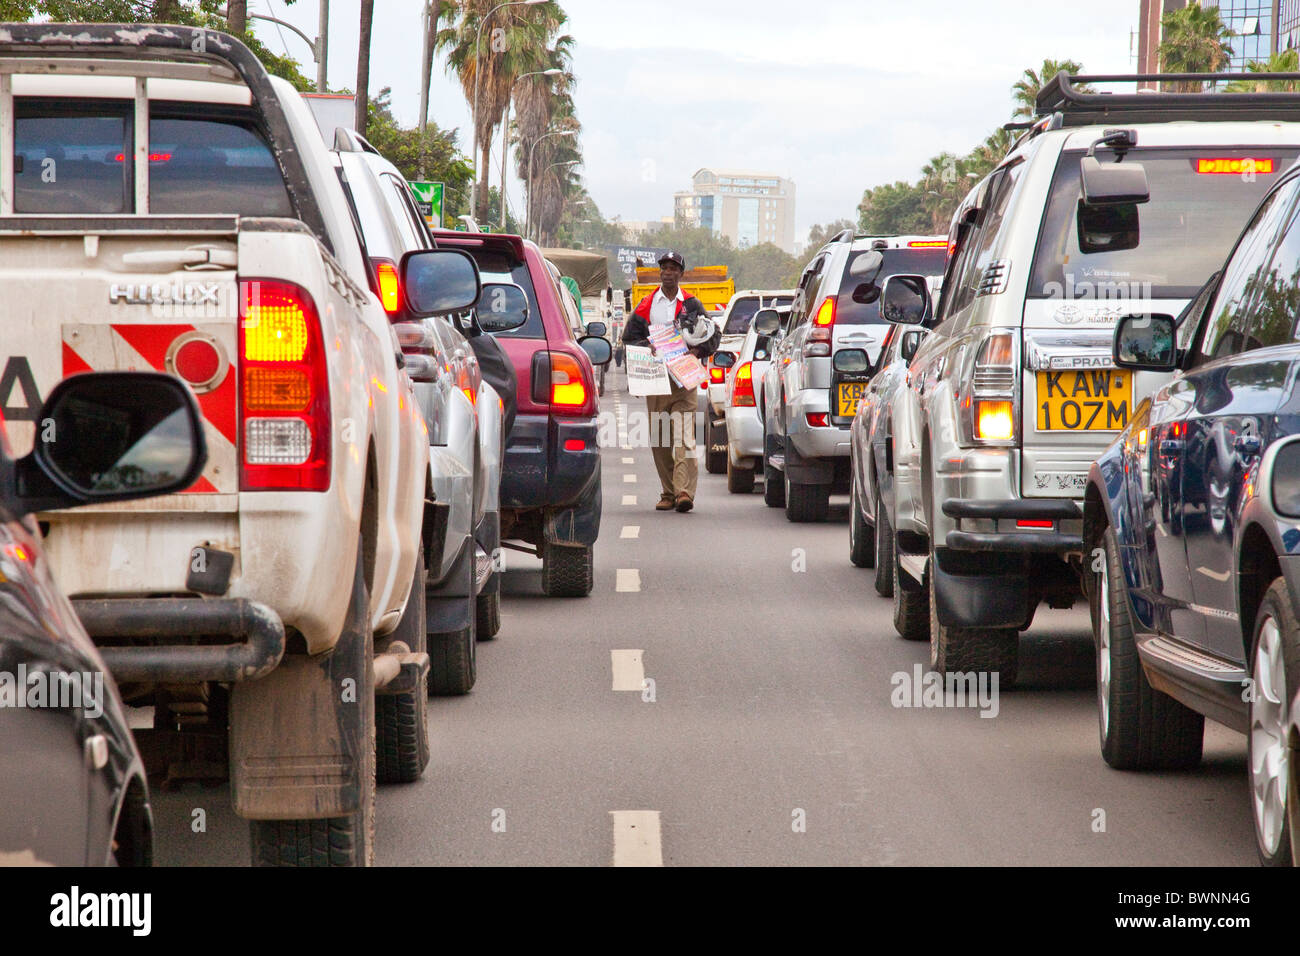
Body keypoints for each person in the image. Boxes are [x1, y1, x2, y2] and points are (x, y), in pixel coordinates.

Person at [620, 250, 720, 513]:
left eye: (674, 268)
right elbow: (629, 339)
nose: (668, 272)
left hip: (684, 380)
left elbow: (714, 334)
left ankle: (684, 492)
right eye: (664, 268)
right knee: (661, 440)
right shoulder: (646, 305)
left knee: (684, 438)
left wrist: (697, 351)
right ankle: (668, 492)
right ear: (659, 272)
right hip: (655, 380)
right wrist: (647, 348)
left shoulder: (692, 305)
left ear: (681, 274)